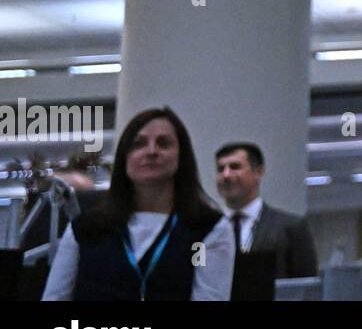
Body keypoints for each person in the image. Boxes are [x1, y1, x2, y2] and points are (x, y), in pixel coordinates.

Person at [42, 107, 234, 300]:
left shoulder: (204, 231)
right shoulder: (85, 229)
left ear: (181, 157)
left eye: (163, 143)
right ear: (124, 157)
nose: (151, 151)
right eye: (138, 144)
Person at [216, 142, 318, 279]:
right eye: (220, 169)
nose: (226, 175)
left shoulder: (291, 228)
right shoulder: (204, 229)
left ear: (258, 172)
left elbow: (306, 290)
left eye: (235, 167)